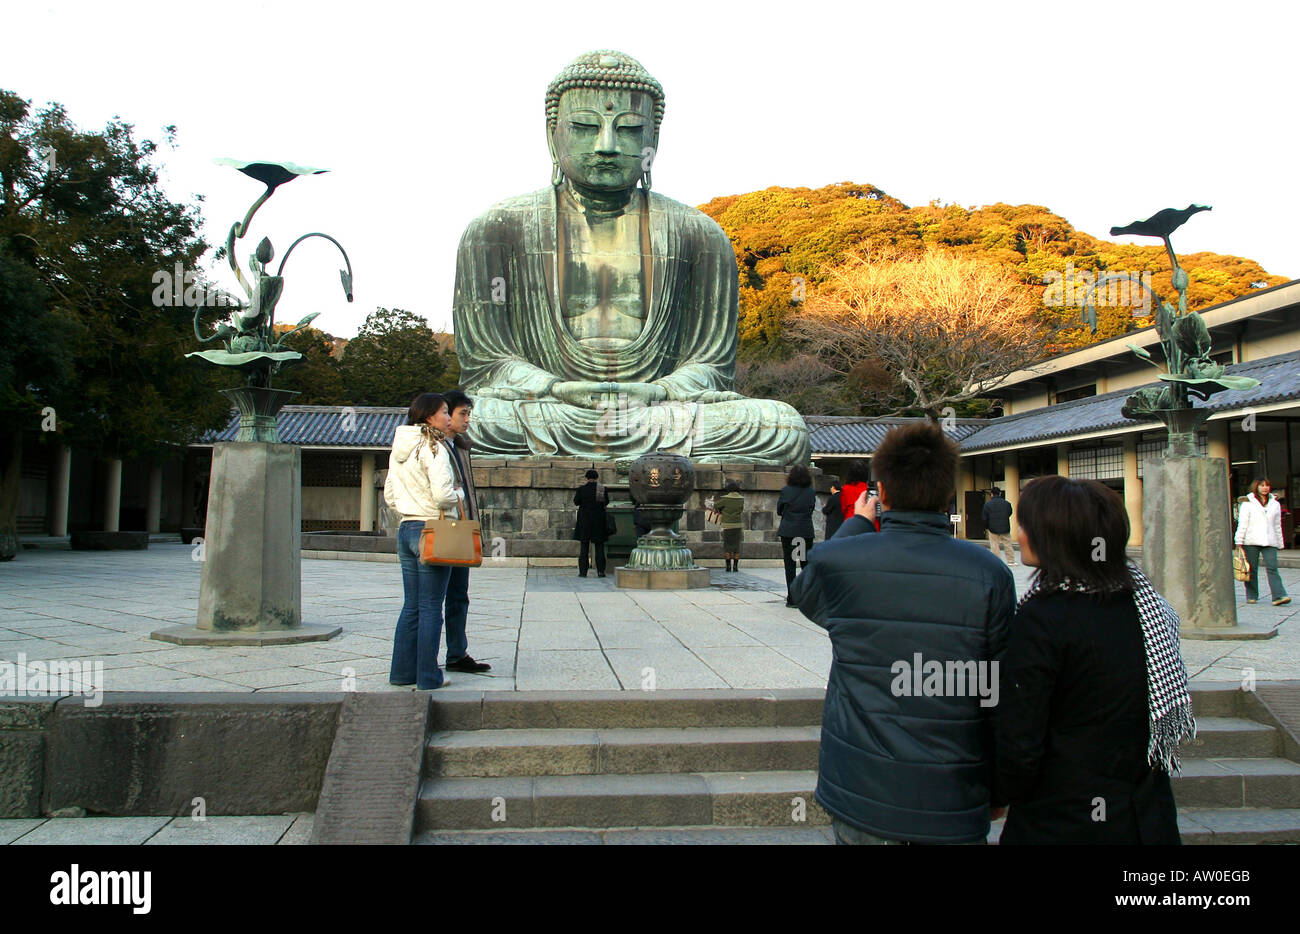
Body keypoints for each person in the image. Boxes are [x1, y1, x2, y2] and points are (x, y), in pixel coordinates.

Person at [449, 50, 809, 463]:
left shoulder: (699, 234)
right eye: (585, 127)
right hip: (549, 409)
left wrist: (657, 390)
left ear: (652, 141)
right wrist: (556, 389)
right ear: (553, 135)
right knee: (476, 420)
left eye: (630, 130)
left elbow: (710, 366)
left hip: (658, 409)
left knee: (779, 426)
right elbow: (488, 364)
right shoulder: (496, 229)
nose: (607, 146)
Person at [791, 422, 1015, 844]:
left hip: (863, 786)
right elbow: (998, 692)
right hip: (953, 791)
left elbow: (804, 595)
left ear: (884, 494)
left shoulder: (839, 561)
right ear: (947, 494)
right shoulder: (990, 573)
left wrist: (857, 525)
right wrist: (999, 785)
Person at [996, 476, 1192, 844]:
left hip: (1063, 818)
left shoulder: (1044, 617)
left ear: (1055, 534)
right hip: (1146, 816)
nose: (1018, 533)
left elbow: (1020, 738)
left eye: (1025, 524)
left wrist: (1002, 792)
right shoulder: (1147, 607)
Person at [383, 393, 463, 690]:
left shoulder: (399, 447)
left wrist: (409, 507)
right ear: (429, 416)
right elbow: (443, 495)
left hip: (406, 528)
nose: (447, 417)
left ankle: (402, 673)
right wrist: (460, 495)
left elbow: (390, 494)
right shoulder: (435, 446)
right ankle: (429, 676)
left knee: (412, 606)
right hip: (432, 528)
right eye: (444, 412)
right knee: (431, 607)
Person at [437, 389, 491, 674]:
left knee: (459, 595)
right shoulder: (433, 447)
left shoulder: (460, 447)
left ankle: (457, 653)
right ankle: (425, 658)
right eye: (462, 414)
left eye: (469, 414)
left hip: (460, 528)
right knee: (433, 599)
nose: (467, 420)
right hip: (441, 528)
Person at [1234, 476, 1291, 606]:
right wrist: (1239, 541)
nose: (1265, 488)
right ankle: (1252, 595)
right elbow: (1243, 523)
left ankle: (1279, 595)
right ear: (1256, 487)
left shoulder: (1275, 504)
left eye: (1267, 485)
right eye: (1262, 485)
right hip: (1251, 540)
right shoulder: (1247, 503)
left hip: (1270, 540)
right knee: (1252, 569)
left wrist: (1280, 542)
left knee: (1272, 567)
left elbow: (1277, 524)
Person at [777, 465, 816, 606]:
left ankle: (792, 597)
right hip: (804, 531)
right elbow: (811, 508)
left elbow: (779, 510)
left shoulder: (786, 491)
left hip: (788, 531)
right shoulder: (810, 492)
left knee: (790, 564)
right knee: (805, 564)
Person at [573, 469, 610, 577]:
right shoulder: (602, 489)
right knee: (599, 546)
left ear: (586, 478)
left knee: (584, 547)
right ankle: (601, 571)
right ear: (597, 478)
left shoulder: (582, 489)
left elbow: (576, 502)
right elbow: (606, 502)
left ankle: (583, 572)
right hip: (598, 520)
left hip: (585, 521)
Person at [982, 487, 1016, 565]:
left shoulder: (987, 504)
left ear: (991, 494)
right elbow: (1009, 513)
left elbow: (984, 517)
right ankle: (1011, 561)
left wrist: (987, 526)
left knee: (994, 545)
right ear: (1000, 493)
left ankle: (996, 562)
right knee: (1008, 544)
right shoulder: (1007, 503)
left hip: (992, 528)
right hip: (1005, 527)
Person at [716, 480, 745, 572]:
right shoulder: (741, 499)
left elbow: (716, 506)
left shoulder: (725, 499)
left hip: (727, 525)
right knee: (736, 547)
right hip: (737, 525)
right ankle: (735, 567)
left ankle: (728, 567)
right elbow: (741, 510)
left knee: (727, 547)